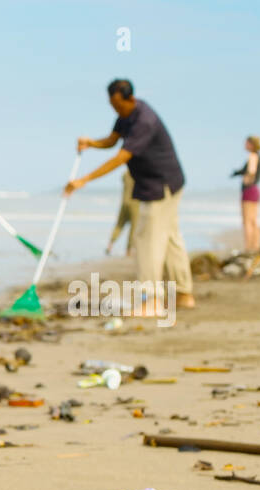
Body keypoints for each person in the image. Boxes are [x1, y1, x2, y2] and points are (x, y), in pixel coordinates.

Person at [65, 79, 195, 315]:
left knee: (146, 241)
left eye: (118, 105)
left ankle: (152, 301)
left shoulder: (145, 120)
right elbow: (112, 141)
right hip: (162, 183)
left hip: (161, 186)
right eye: (112, 105)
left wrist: (84, 180)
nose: (116, 110)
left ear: (130, 99)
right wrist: (91, 143)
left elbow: (120, 157)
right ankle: (184, 294)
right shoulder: (125, 116)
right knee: (171, 239)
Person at [233, 135, 260, 253]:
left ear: (251, 144)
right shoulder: (259, 157)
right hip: (255, 191)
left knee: (247, 221)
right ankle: (255, 246)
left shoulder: (253, 156)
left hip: (249, 191)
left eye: (246, 143)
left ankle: (249, 248)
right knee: (254, 221)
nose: (244, 145)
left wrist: (246, 180)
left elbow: (251, 171)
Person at [106, 168, 138, 255]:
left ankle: (110, 245)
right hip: (135, 202)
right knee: (134, 227)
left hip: (124, 202)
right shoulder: (138, 172)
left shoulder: (125, 174)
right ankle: (129, 249)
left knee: (119, 225)